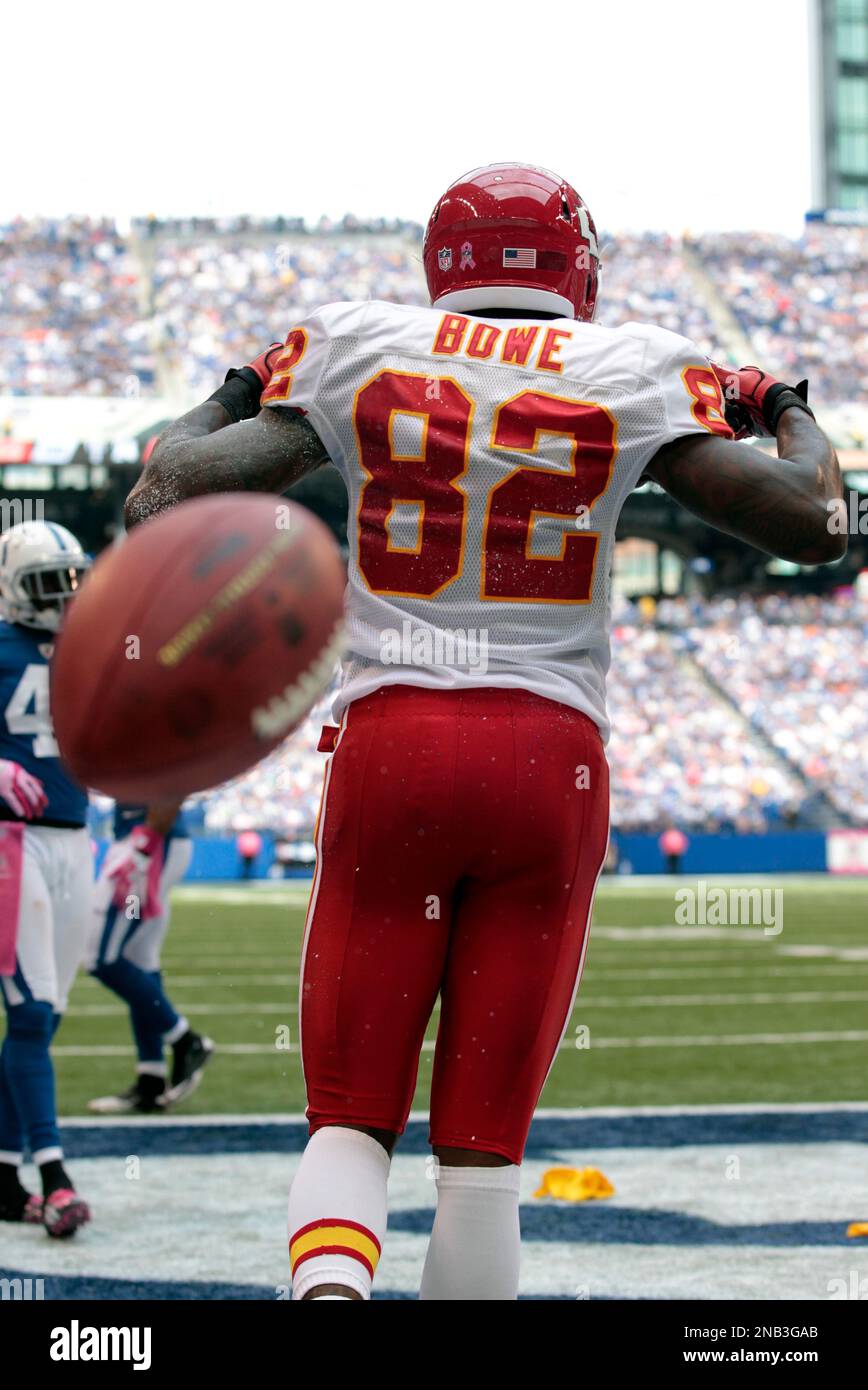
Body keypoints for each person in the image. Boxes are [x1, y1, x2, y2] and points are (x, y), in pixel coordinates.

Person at [125, 163, 844, 1299]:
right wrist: (784, 403)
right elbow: (815, 524)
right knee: (482, 1159)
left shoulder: (362, 343)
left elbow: (159, 493)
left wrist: (235, 386)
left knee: (352, 1121)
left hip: (393, 740)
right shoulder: (636, 365)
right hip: (547, 756)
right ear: (573, 265)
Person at [0, 520, 93, 1237]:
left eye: (73, 579)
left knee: (47, 1012)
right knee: (29, 1013)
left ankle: (4, 1176)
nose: (65, 596)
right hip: (11, 843)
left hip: (76, 840)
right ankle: (56, 1177)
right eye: (48, 583)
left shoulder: (89, 649)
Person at [86, 801, 213, 1114]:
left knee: (100, 957)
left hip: (151, 839)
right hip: (150, 837)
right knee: (138, 959)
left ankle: (185, 1040)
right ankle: (151, 1081)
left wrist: (145, 845)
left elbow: (174, 771)